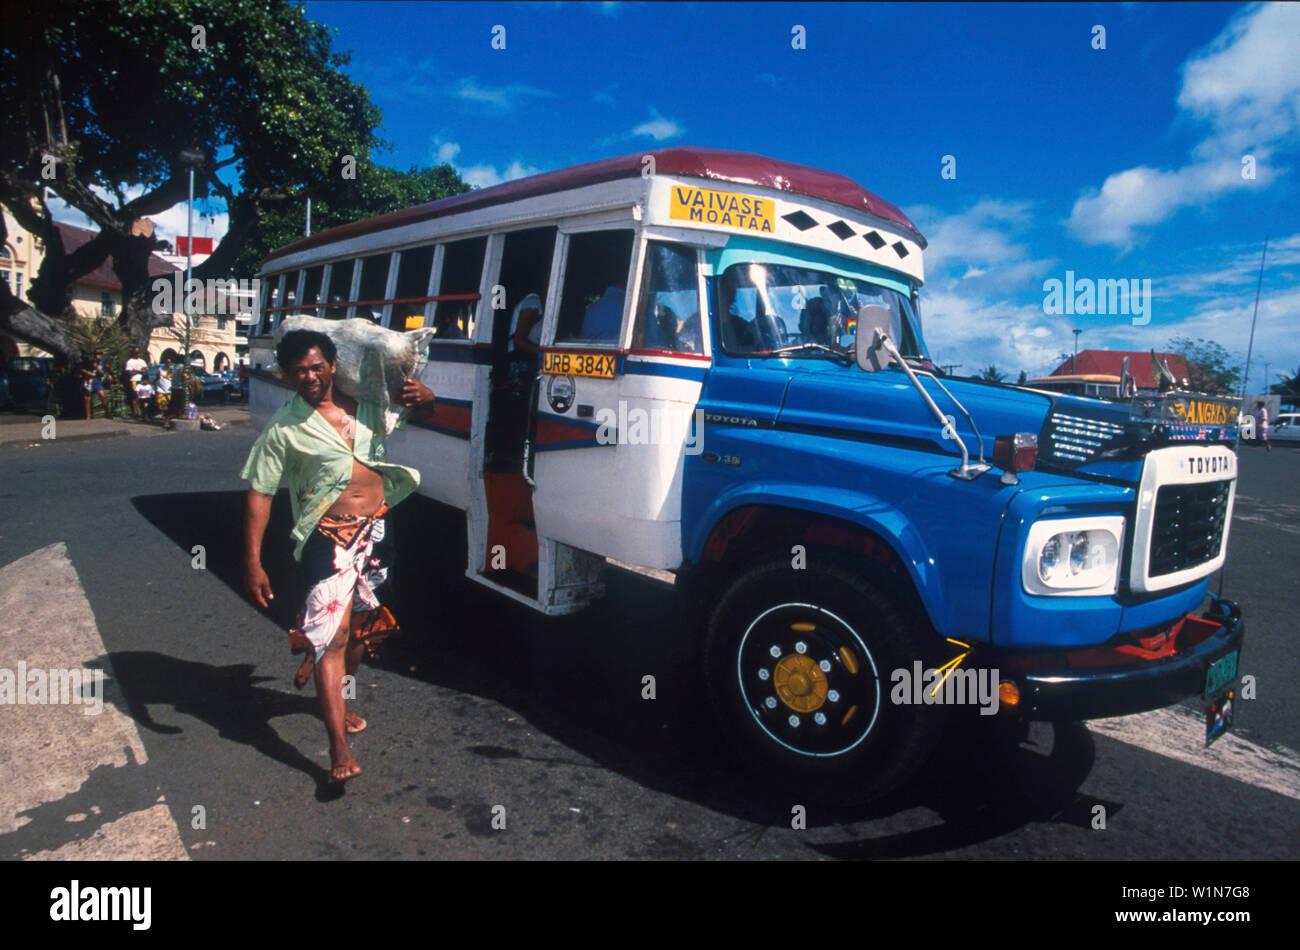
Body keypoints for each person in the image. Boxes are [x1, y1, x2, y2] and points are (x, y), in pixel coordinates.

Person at [240, 329, 436, 785]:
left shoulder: (367, 404)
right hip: (326, 539)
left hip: (378, 530)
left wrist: (427, 398)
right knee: (334, 639)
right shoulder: (284, 429)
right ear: (288, 377)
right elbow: (259, 495)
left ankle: (331, 681)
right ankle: (338, 750)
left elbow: (422, 412)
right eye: (299, 371)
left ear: (332, 365)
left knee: (363, 634)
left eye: (316, 366)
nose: (309, 376)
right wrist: (253, 562)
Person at [124, 348, 148, 418]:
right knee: (135, 397)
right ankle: (135, 412)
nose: (137, 354)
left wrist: (136, 371)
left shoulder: (142, 361)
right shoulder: (130, 361)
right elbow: (130, 373)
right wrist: (140, 371)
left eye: (138, 353)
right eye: (136, 353)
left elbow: (145, 370)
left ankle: (144, 413)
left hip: (141, 380)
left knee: (144, 396)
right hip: (134, 380)